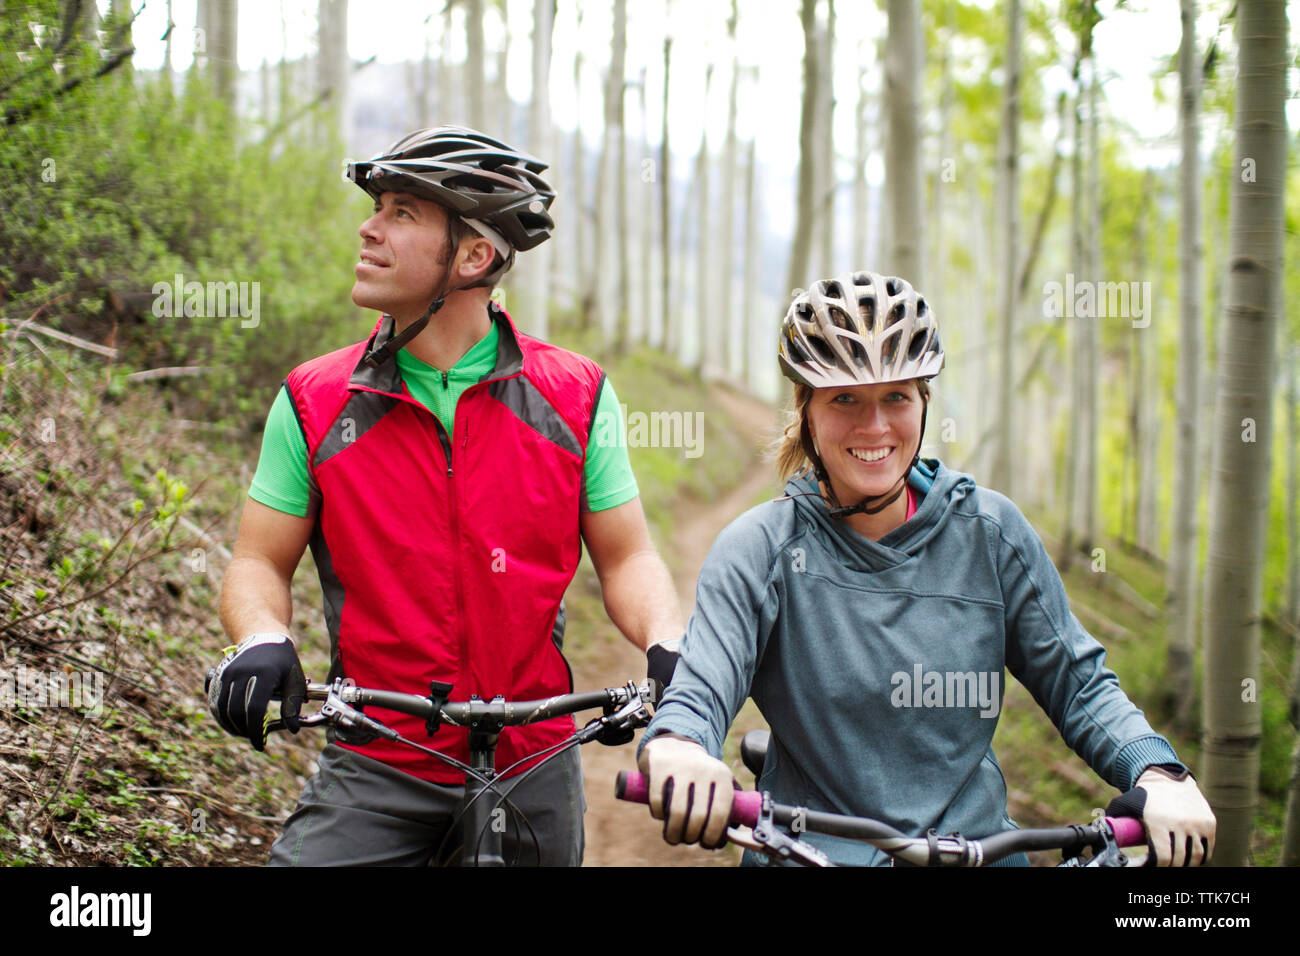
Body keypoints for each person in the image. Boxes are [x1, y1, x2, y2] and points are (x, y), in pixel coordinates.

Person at [207, 126, 684, 866]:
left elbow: (626, 557)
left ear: (473, 255)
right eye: (378, 209)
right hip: (378, 759)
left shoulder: (576, 396)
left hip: (533, 759)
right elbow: (257, 562)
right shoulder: (314, 399)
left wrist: (666, 641)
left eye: (401, 213)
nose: (368, 228)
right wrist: (263, 638)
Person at [637, 271, 1216, 867]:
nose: (875, 426)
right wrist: (679, 746)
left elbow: (1079, 683)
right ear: (806, 409)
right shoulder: (759, 548)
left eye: (896, 397)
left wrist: (1159, 770)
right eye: (845, 399)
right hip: (808, 852)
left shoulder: (991, 534)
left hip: (978, 851)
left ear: (923, 402)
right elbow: (701, 687)